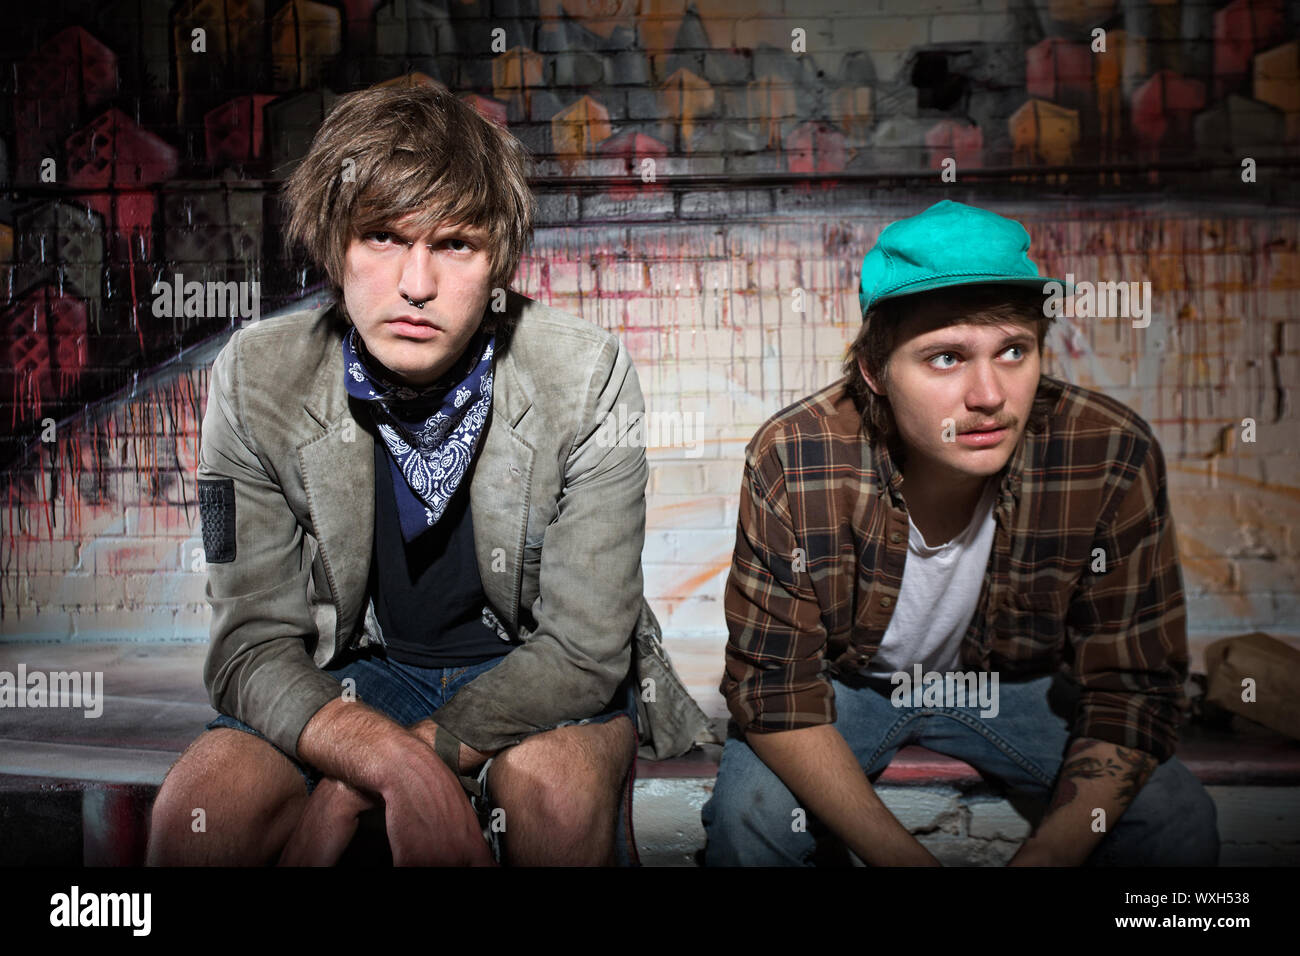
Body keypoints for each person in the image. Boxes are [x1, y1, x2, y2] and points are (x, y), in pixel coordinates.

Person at [147, 83, 704, 867]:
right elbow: (249, 646)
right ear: (333, 242)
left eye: (455, 244)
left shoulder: (584, 374)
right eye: (381, 237)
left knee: (558, 796)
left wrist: (383, 773)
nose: (416, 284)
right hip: (351, 675)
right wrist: (390, 762)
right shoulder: (258, 378)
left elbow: (584, 649)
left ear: (499, 262)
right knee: (199, 812)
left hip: (532, 672)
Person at [701, 199, 1219, 866]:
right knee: (753, 819)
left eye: (1013, 351)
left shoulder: (1109, 452)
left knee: (1176, 814)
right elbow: (772, 690)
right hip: (850, 689)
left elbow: (1134, 687)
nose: (989, 394)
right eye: (946, 358)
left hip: (1015, 686)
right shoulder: (797, 458)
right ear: (874, 372)